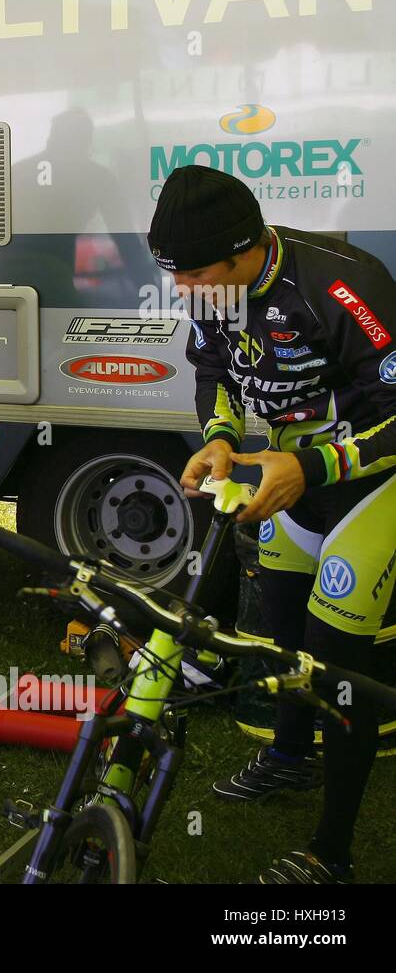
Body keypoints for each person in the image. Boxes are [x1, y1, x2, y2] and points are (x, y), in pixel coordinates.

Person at [150, 164, 396, 883]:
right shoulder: (213, 288)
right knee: (283, 630)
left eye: (195, 273)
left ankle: (332, 855)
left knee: (335, 661)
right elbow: (215, 378)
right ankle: (292, 758)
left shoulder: (345, 286)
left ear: (246, 247)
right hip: (285, 478)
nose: (185, 290)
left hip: (369, 487)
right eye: (173, 274)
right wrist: (221, 439)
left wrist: (309, 470)